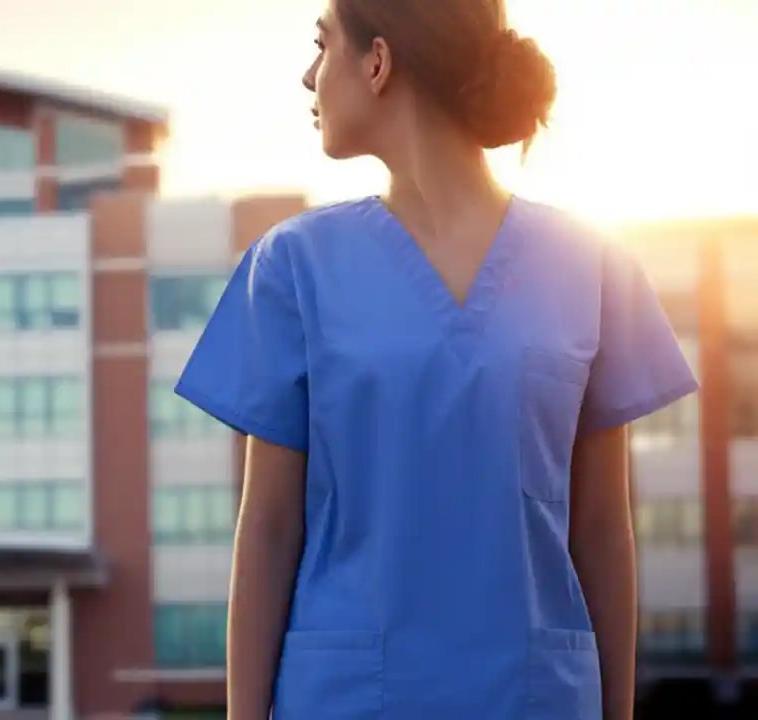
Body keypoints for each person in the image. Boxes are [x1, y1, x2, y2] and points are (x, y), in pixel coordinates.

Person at [173, 1, 699, 718]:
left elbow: (603, 526)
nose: (307, 76)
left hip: (534, 696)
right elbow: (268, 526)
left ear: (378, 61)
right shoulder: (293, 267)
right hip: (347, 700)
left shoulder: (591, 265)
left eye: (322, 46)